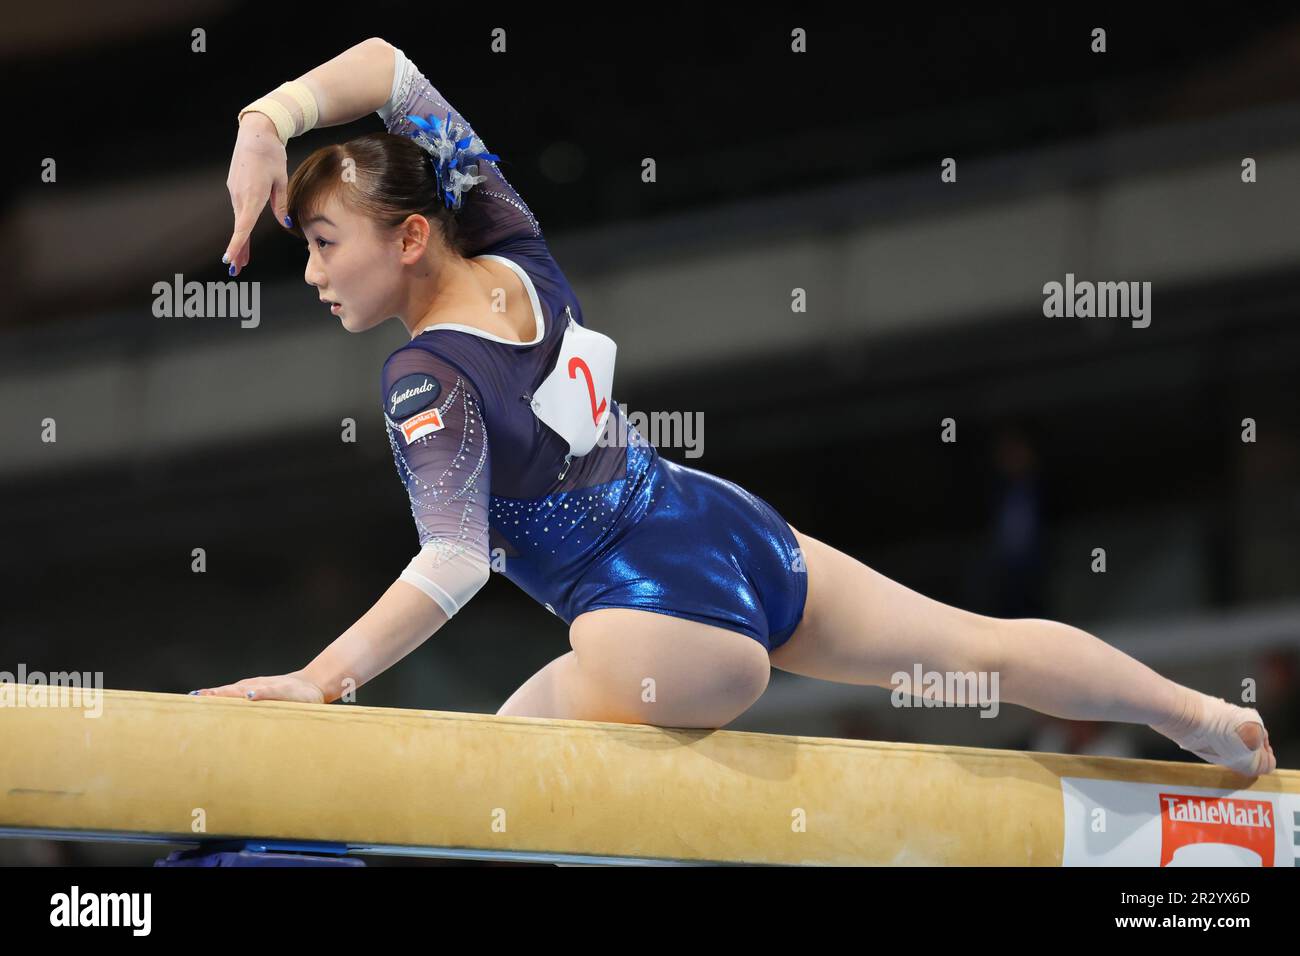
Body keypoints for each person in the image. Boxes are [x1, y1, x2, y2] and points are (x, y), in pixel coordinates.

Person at [198, 38, 1276, 778]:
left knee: (497, 773)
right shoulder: (509, 234)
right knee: (976, 646)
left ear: (409, 236)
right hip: (729, 532)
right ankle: (1201, 719)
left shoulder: (423, 376)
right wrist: (270, 118)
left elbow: (451, 560)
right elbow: (390, 69)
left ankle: (1197, 719)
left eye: (325, 242)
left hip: (659, 630)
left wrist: (317, 678)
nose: (313, 273)